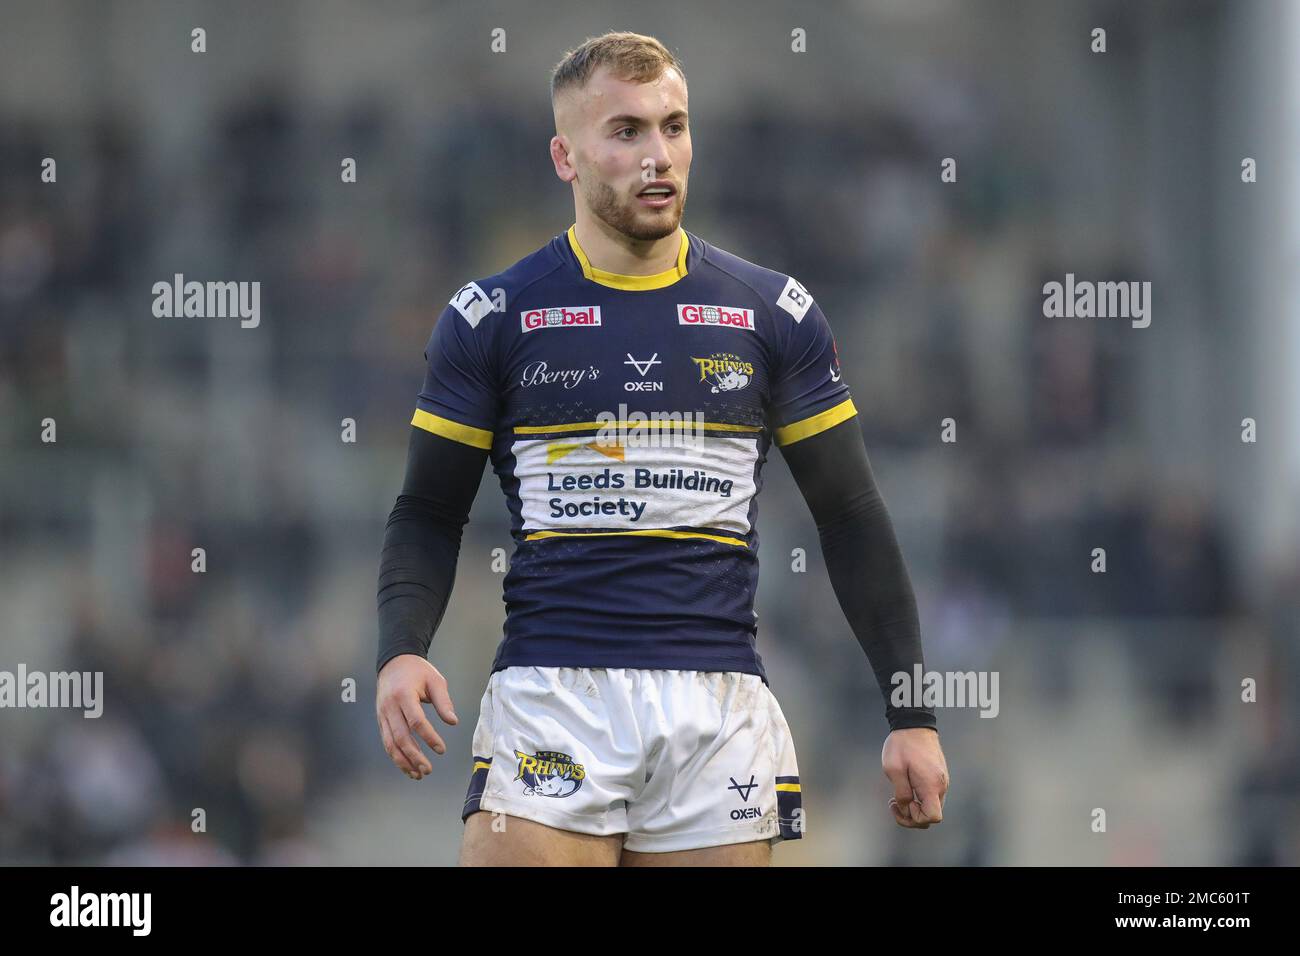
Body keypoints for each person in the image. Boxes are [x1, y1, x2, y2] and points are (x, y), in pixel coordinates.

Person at [375, 31, 948, 866]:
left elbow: (852, 515)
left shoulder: (770, 313)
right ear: (565, 157)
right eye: (627, 131)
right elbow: (428, 510)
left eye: (674, 127)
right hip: (552, 694)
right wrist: (400, 649)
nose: (659, 156)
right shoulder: (492, 316)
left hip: (716, 708)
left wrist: (913, 715)